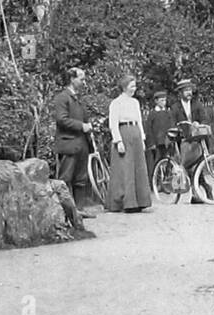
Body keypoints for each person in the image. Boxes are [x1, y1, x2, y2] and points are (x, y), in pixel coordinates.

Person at [50, 66, 95, 218]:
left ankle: (79, 211)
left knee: (81, 179)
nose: (84, 82)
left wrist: (88, 128)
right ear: (71, 79)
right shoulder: (62, 98)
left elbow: (84, 119)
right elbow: (61, 120)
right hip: (68, 144)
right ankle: (64, 212)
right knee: (65, 179)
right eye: (81, 79)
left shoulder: (78, 99)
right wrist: (82, 126)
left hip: (81, 143)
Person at [106, 74, 152, 213]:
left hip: (135, 134)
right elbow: (113, 123)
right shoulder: (116, 103)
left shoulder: (135, 103)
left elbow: (139, 120)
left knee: (138, 167)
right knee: (125, 168)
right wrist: (118, 140)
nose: (134, 89)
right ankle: (126, 202)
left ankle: (140, 201)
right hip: (123, 133)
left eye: (135, 86)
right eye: (132, 86)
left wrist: (142, 138)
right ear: (124, 87)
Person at [174, 78, 213, 204]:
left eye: (190, 90)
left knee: (196, 166)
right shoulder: (175, 107)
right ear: (180, 93)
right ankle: (201, 190)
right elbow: (172, 123)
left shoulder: (197, 104)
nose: (189, 92)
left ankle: (199, 192)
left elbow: (205, 119)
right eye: (186, 90)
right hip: (184, 140)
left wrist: (199, 123)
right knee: (188, 166)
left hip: (198, 139)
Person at [144, 90, 173, 178]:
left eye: (165, 100)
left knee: (169, 161)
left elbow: (172, 126)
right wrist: (151, 143)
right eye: (161, 100)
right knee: (157, 162)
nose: (163, 102)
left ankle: (168, 179)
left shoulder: (168, 113)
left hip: (167, 141)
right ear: (156, 101)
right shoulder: (152, 114)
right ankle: (157, 181)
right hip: (157, 143)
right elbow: (148, 129)